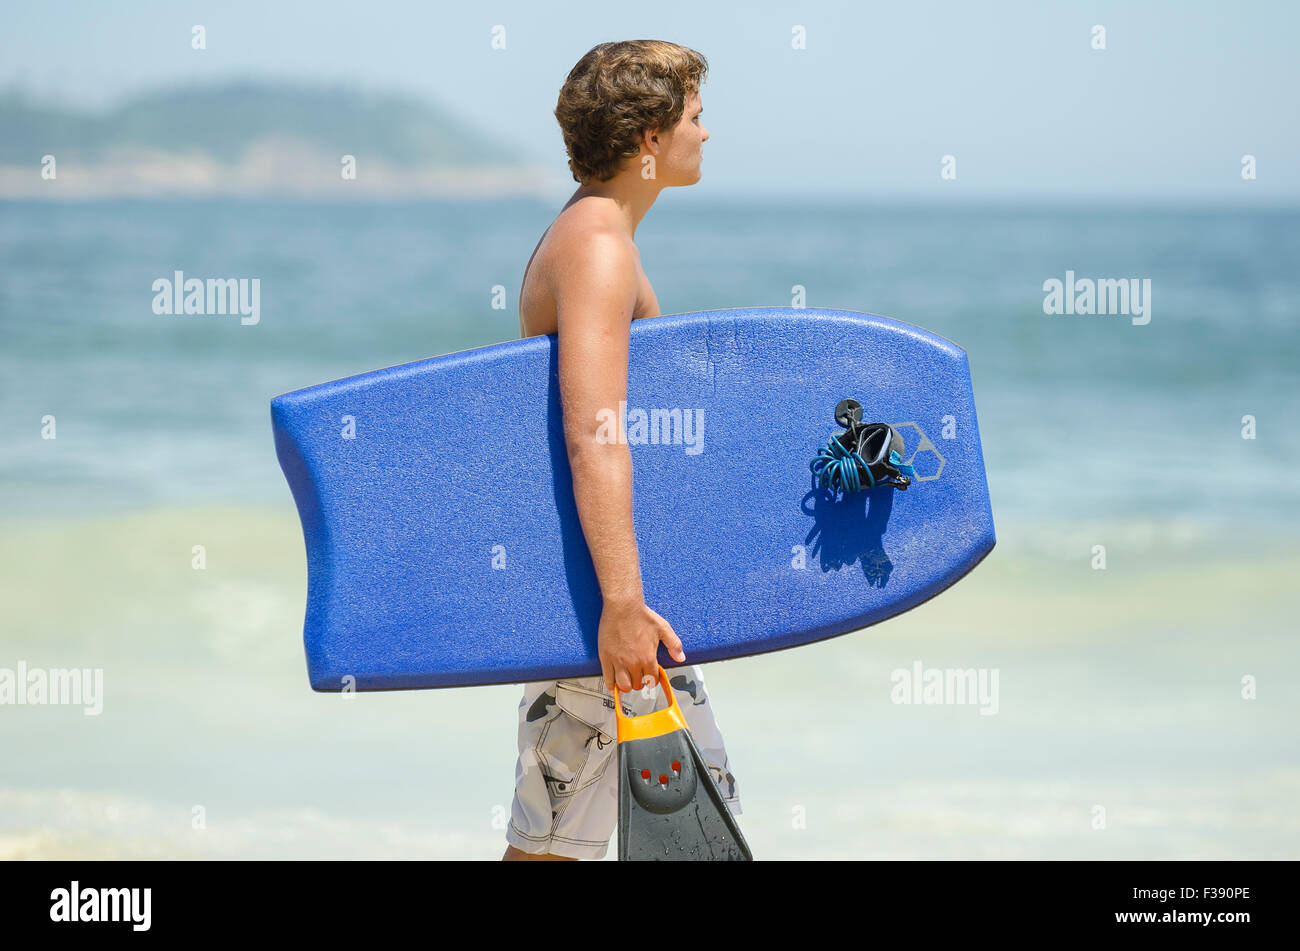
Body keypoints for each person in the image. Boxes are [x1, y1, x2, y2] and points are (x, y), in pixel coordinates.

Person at [503, 40, 742, 861]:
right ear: (648, 138)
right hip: (608, 608)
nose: (706, 135)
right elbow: (594, 430)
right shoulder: (601, 249)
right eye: (696, 118)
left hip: (597, 599)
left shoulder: (586, 233)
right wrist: (622, 606)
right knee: (698, 830)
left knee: (554, 847)